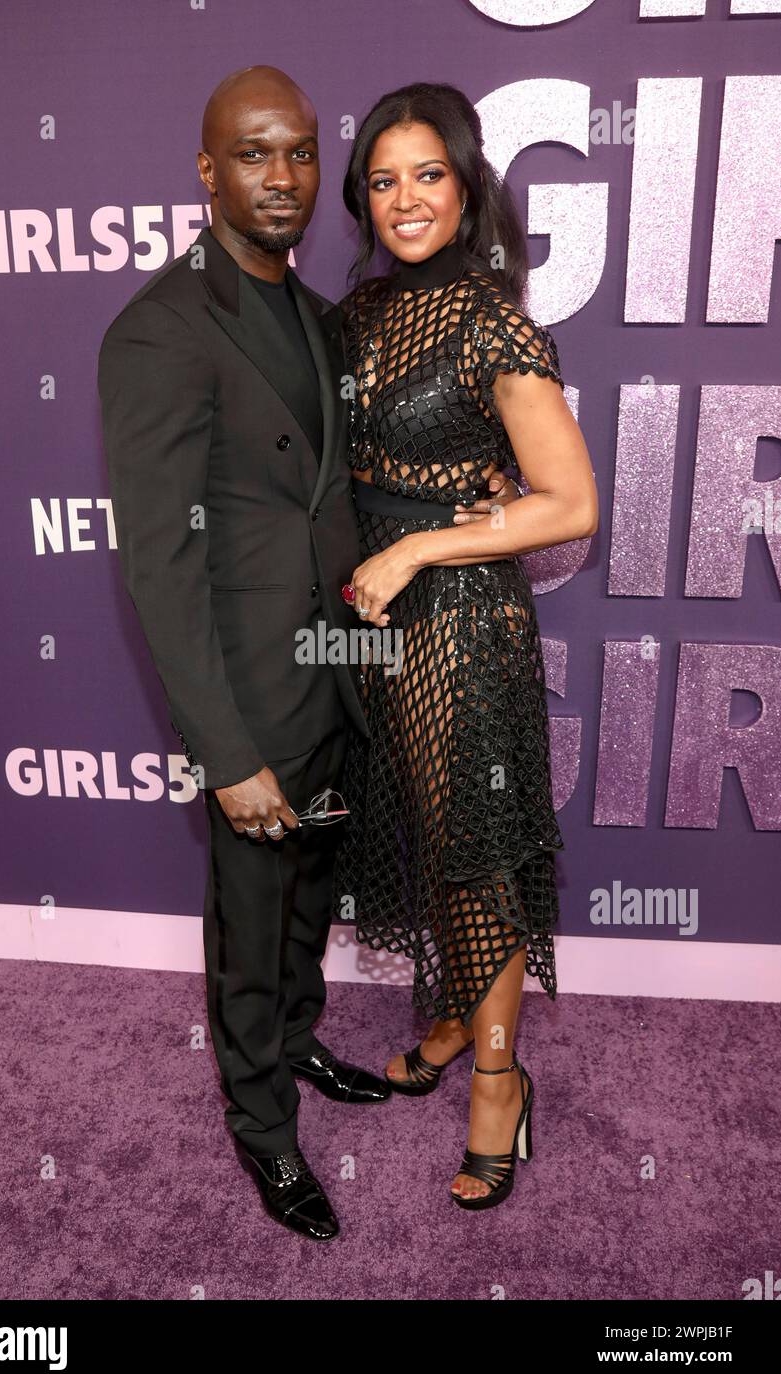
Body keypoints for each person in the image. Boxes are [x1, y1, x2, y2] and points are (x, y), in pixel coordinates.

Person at [97, 67, 409, 1244]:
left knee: (310, 902)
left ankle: (297, 1037)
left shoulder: (320, 315)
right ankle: (263, 1129)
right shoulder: (160, 327)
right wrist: (222, 752)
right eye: (253, 154)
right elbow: (161, 567)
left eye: (299, 155)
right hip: (250, 701)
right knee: (248, 919)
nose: (281, 178)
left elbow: (335, 493)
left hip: (335, 672)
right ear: (206, 169)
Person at [333, 82, 598, 1210]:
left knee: (472, 847)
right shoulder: (354, 318)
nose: (405, 200)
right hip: (372, 620)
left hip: (456, 621)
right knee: (412, 826)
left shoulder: (493, 318)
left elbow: (571, 502)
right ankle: (452, 1011)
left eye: (426, 175)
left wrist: (422, 546)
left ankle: (498, 1077)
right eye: (383, 181)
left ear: (466, 184)